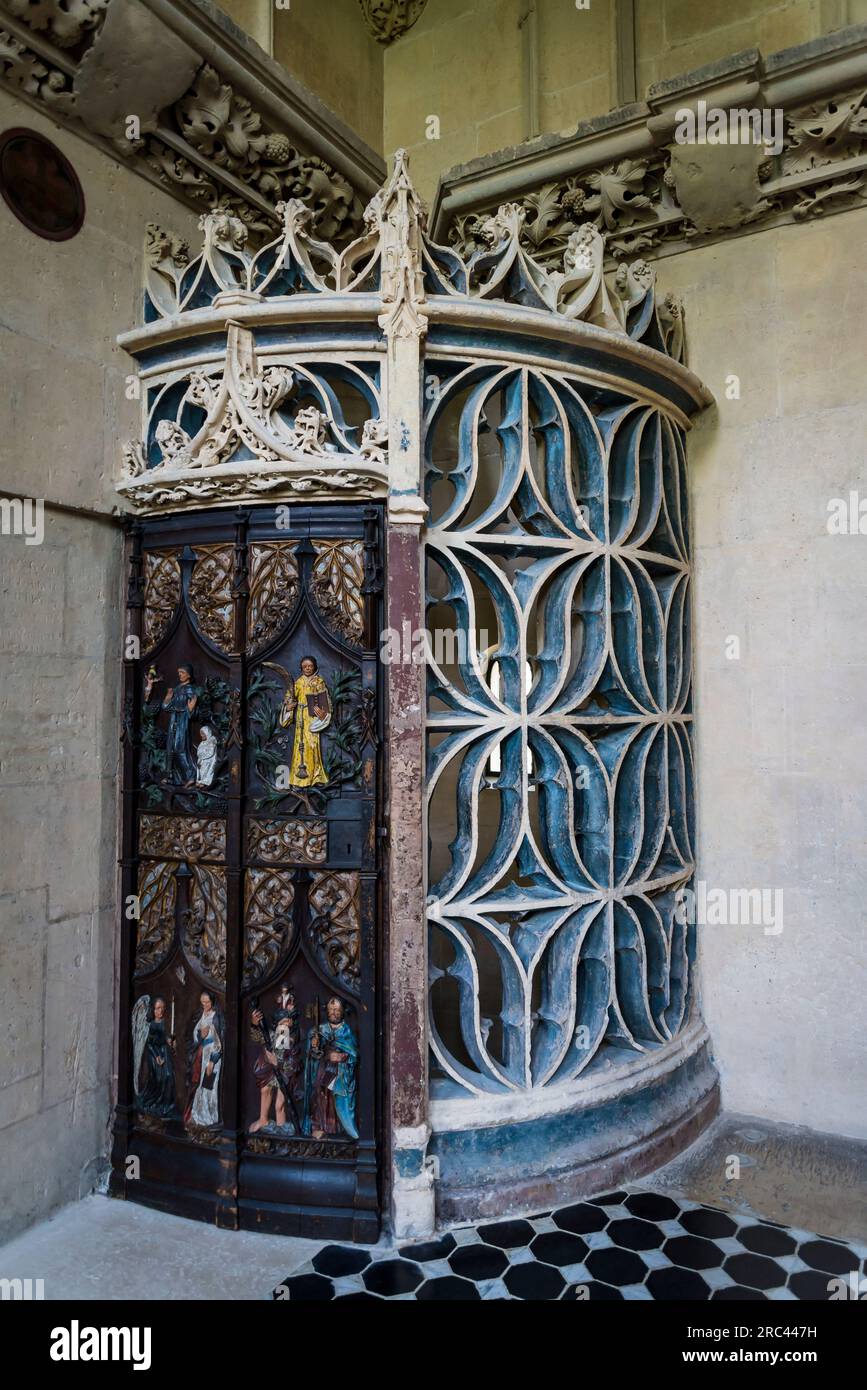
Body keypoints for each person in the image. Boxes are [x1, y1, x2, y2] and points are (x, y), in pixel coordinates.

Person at [302, 997, 358, 1140]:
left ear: (342, 1012)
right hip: (322, 1071)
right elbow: (312, 1054)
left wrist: (341, 1057)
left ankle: (335, 1129)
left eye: (337, 1010)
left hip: (339, 1073)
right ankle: (319, 1127)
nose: (334, 1012)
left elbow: (353, 1054)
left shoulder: (346, 1032)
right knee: (320, 1096)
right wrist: (315, 1046)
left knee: (333, 1101)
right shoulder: (320, 1030)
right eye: (331, 1010)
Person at [279, 656, 330, 787]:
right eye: (305, 666)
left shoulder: (319, 682)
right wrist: (288, 706)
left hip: (312, 717)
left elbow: (326, 700)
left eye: (310, 666)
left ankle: (315, 776)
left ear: (314, 667)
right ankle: (298, 779)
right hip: (301, 716)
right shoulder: (298, 682)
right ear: (301, 668)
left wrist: (322, 710)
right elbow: (289, 697)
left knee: (313, 745)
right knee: (299, 746)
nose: (307, 668)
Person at [185, 990, 222, 1127]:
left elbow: (218, 1043)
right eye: (202, 1002)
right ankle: (199, 1116)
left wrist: (212, 1061)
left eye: (207, 1002)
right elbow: (195, 1034)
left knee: (209, 1086)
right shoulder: (202, 1015)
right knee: (202, 1085)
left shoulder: (215, 1017)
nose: (204, 1005)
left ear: (212, 1001)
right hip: (202, 1055)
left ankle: (209, 1118)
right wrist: (201, 1034)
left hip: (213, 1056)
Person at [136, 996, 177, 1117]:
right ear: (152, 1010)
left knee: (169, 1077)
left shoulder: (166, 1021)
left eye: (163, 1008)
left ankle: (166, 1104)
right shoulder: (151, 1025)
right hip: (155, 1054)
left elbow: (167, 1037)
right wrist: (157, 1056)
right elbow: (149, 1043)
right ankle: (155, 1101)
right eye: (158, 1008)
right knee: (158, 1079)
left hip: (165, 1052)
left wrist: (170, 1041)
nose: (161, 1011)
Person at [163, 664, 199, 785]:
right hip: (173, 720)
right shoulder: (177, 689)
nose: (180, 675)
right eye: (179, 672)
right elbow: (166, 708)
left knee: (180, 748)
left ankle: (191, 776)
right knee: (170, 748)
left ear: (189, 674)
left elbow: (194, 713)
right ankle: (170, 776)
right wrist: (168, 698)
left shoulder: (191, 689)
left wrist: (190, 709)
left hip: (183, 721)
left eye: (182, 672)